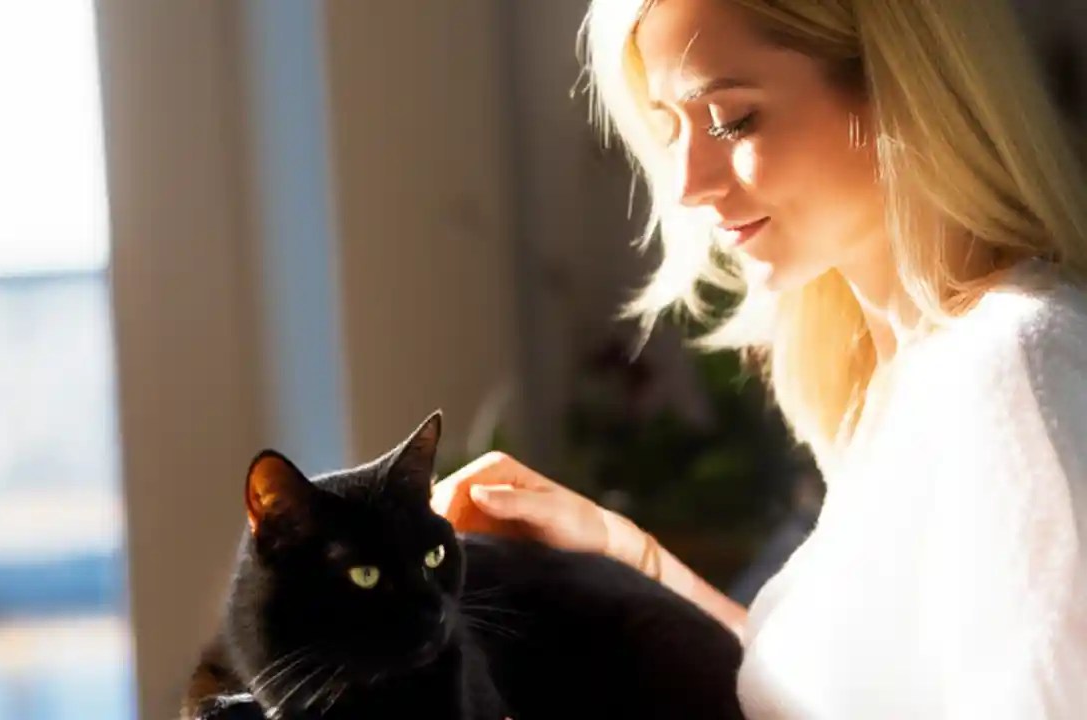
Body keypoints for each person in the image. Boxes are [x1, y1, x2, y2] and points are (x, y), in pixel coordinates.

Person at [430, 0, 1087, 717]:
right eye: (669, 128)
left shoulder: (1013, 368)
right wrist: (628, 559)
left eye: (731, 120)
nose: (686, 184)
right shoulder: (899, 384)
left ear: (903, 88)